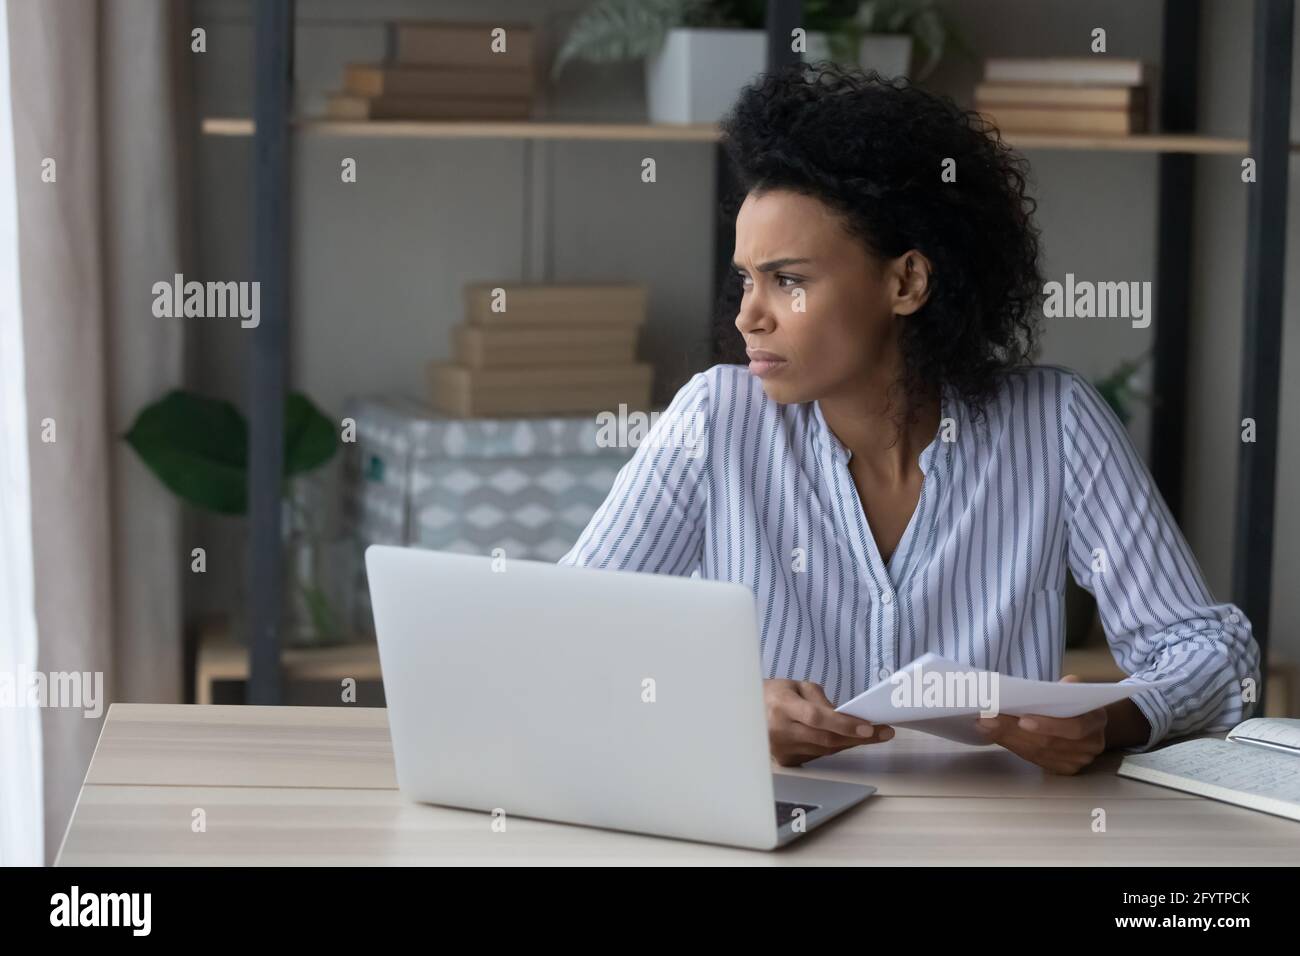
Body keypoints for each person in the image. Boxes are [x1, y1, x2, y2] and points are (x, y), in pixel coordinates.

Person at [559, 63, 1259, 774]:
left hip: (996, 839)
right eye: (747, 278)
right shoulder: (714, 421)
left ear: (906, 282)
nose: (748, 315)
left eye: (789, 280)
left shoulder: (1056, 424)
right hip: (784, 835)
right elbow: (561, 636)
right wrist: (726, 703)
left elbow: (1213, 656)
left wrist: (1108, 720)